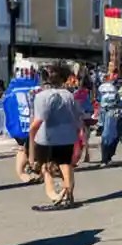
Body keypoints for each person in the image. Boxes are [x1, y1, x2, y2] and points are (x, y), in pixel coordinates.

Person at [29, 63, 84, 210]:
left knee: (46, 167)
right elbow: (77, 118)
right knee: (66, 164)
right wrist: (80, 136)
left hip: (46, 136)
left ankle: (54, 195)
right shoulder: (69, 95)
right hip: (67, 135)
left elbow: (38, 121)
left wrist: (31, 137)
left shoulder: (41, 96)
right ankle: (68, 193)